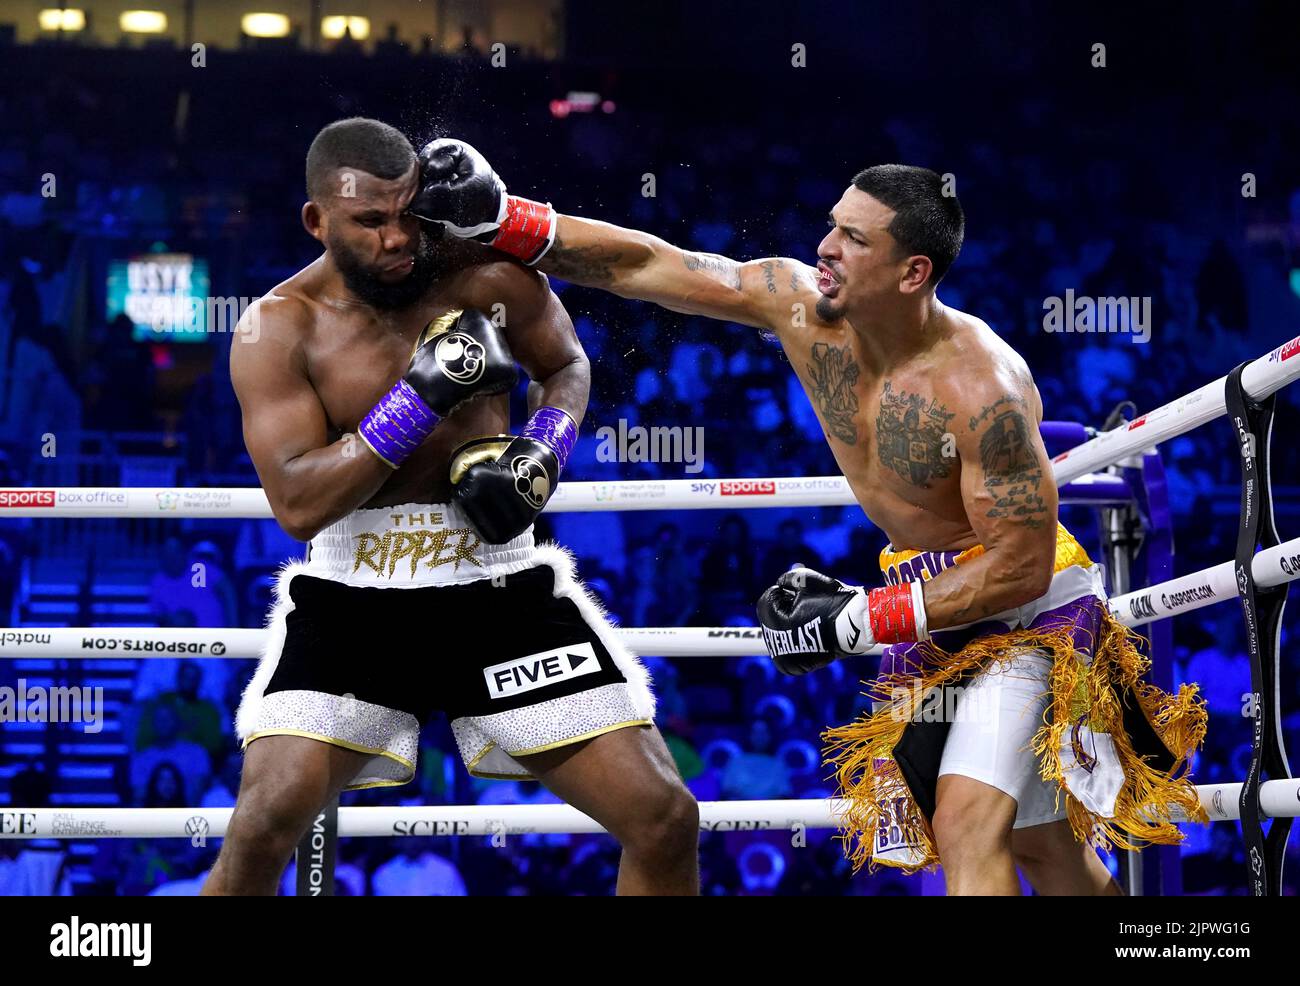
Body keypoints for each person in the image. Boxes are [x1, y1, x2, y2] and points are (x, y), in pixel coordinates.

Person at [413, 142, 1206, 895]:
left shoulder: (980, 388)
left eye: (852, 238)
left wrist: (864, 616)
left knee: (969, 824)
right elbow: (645, 263)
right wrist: (505, 218)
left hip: (1031, 613)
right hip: (931, 607)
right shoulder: (800, 309)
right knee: (1042, 847)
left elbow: (1020, 567)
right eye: (832, 224)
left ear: (911, 271)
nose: (824, 245)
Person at [202, 118, 697, 897]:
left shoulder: (481, 273)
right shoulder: (279, 326)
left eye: (407, 214)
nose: (399, 239)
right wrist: (420, 398)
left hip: (498, 587)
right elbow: (297, 504)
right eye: (371, 221)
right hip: (354, 596)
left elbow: (565, 362)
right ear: (317, 220)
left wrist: (543, 449)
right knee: (264, 824)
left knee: (664, 817)